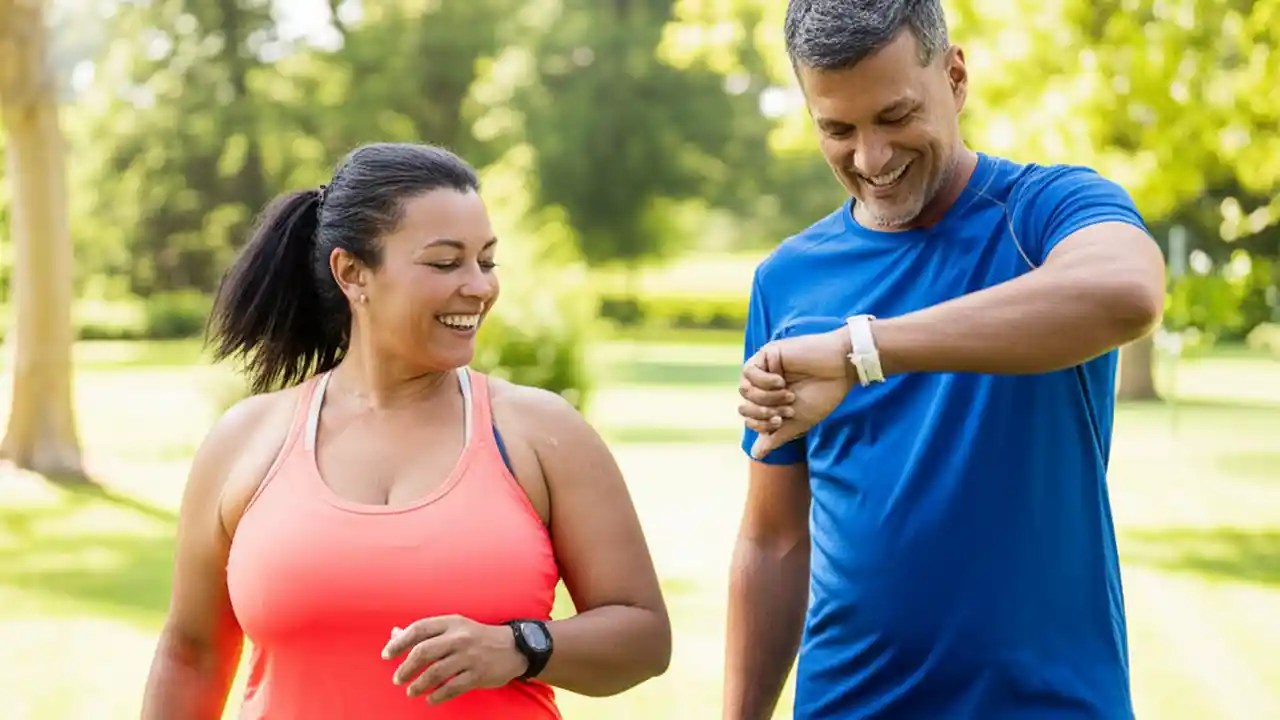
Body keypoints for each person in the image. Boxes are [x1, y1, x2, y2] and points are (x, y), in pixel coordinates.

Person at [725, 2, 1165, 719]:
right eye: (837, 129)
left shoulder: (1047, 212)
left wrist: (859, 351)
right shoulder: (789, 280)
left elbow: (1125, 294)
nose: (870, 159)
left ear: (954, 76)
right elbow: (775, 539)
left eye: (896, 116)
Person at [141, 142, 671, 719]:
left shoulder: (540, 433)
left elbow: (643, 637)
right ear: (352, 273)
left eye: (486, 261)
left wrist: (520, 645)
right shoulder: (246, 441)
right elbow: (191, 655)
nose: (480, 287)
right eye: (446, 263)